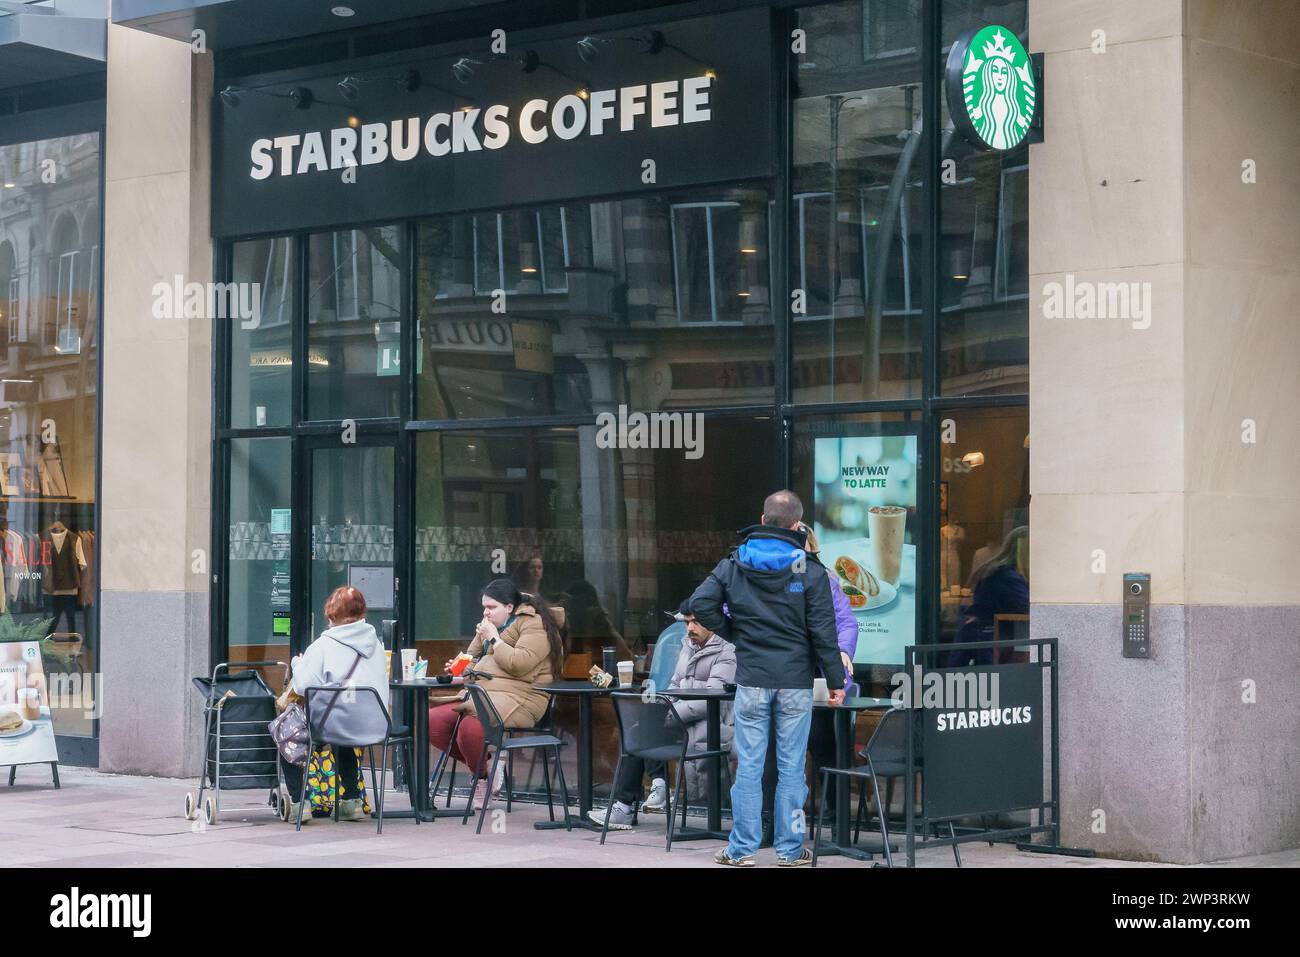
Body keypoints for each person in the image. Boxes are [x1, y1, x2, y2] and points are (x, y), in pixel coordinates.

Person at [690, 490, 845, 867]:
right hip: (794, 681)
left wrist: (736, 633)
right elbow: (824, 633)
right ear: (797, 526)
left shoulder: (734, 563)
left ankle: (741, 849)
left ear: (762, 519)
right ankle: (790, 851)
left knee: (750, 767)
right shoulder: (810, 569)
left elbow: (699, 604)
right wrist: (836, 680)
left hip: (752, 679)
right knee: (793, 768)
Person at [589, 599, 736, 830]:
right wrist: (664, 706)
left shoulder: (727, 652)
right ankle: (635, 799)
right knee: (638, 729)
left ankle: (644, 794)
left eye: (696, 622)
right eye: (687, 622)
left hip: (713, 724)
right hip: (684, 722)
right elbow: (675, 684)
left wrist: (670, 713)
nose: (690, 628)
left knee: (648, 723)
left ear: (715, 621)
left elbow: (711, 699)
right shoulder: (688, 646)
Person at [428, 578, 566, 808]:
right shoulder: (489, 624)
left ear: (509, 607)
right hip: (485, 694)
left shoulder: (535, 625)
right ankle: (486, 769)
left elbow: (519, 664)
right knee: (433, 723)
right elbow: (472, 658)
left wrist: (493, 637)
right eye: (484, 607)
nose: (486, 612)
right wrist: (460, 666)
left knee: (469, 729)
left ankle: (481, 780)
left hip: (522, 698)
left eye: (491, 607)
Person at [760, 522, 858, 838]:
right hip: (777, 673)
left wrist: (842, 652)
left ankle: (835, 817)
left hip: (813, 677)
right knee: (771, 749)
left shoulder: (823, 578)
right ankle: (769, 823)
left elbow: (846, 623)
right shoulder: (763, 576)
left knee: (821, 742)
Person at [276, 585, 388, 823]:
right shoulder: (376, 645)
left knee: (286, 734)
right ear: (361, 614)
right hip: (375, 726)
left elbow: (303, 686)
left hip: (334, 726)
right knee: (343, 729)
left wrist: (297, 664)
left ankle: (299, 804)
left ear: (331, 616)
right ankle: (352, 801)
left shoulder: (323, 645)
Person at [946, 526, 1029, 667]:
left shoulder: (999, 571)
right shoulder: (1007, 575)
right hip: (987, 638)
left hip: (982, 637)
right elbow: (1024, 607)